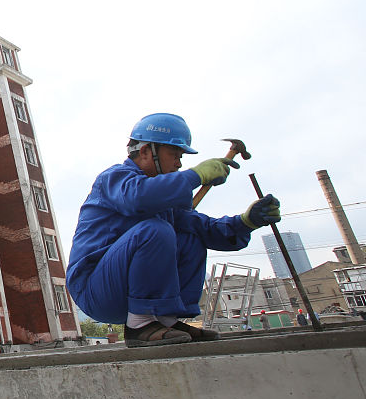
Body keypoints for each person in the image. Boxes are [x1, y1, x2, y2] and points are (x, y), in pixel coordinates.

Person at [66, 113, 282, 348]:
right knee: (155, 230)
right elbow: (138, 198)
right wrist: (194, 176)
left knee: (191, 237)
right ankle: (141, 325)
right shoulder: (115, 178)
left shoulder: (166, 198)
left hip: (125, 290)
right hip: (96, 290)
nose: (179, 164)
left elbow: (203, 227)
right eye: (174, 155)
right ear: (147, 151)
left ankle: (165, 320)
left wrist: (245, 221)